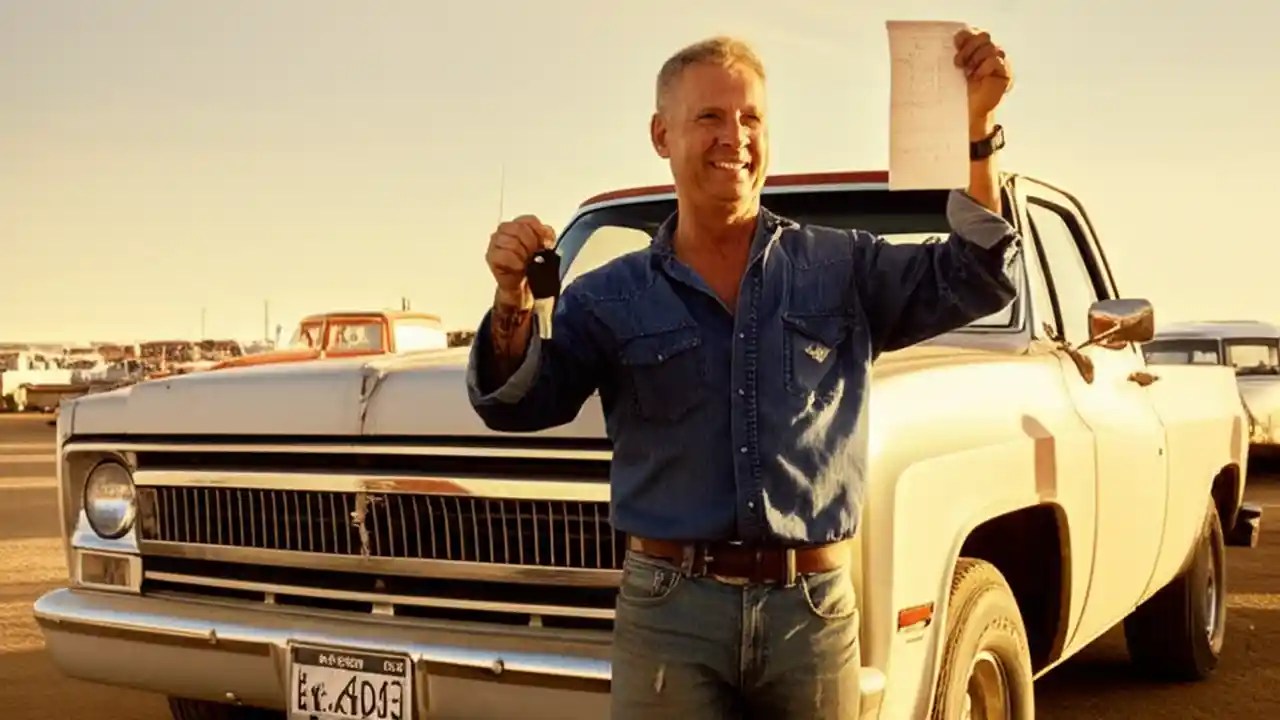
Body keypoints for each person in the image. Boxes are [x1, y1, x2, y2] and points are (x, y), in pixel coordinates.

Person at [467, 25, 1020, 719]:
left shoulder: (841, 267)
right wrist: (514, 299)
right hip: (669, 613)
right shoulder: (609, 296)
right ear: (661, 135)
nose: (736, 136)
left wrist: (978, 129)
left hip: (811, 615)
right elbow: (518, 404)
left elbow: (978, 275)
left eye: (751, 117)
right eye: (709, 117)